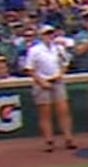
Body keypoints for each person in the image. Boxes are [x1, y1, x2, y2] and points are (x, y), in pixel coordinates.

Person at [23, 23, 77, 152]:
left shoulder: (58, 48)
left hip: (57, 81)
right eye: (46, 34)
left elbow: (65, 63)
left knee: (63, 111)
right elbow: (29, 69)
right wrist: (41, 81)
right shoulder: (34, 50)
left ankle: (68, 138)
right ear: (41, 36)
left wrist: (60, 74)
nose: (49, 36)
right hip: (41, 81)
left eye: (51, 33)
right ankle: (49, 141)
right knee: (45, 113)